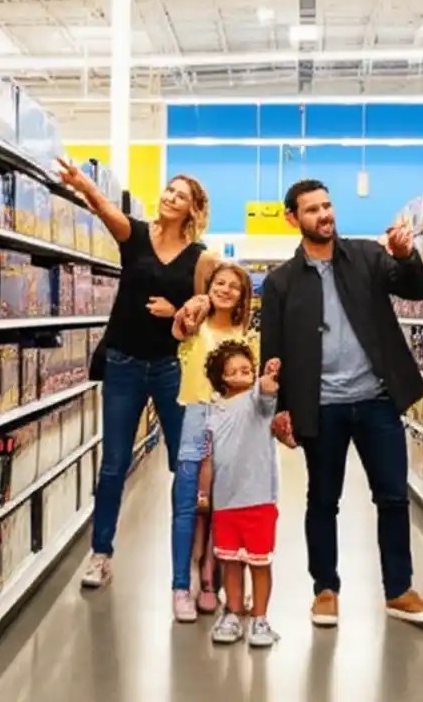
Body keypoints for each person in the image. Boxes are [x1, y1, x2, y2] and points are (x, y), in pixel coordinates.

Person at [260, 178, 423, 627]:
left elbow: (416, 289)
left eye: (327, 205)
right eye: (312, 210)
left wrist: (405, 256)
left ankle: (399, 590)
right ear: (292, 219)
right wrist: (278, 409)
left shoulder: (366, 255)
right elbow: (273, 352)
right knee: (322, 500)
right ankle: (325, 589)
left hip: (377, 399)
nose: (324, 215)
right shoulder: (281, 282)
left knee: (393, 497)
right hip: (320, 406)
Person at [57, 158, 219, 589]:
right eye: (168, 190)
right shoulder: (136, 236)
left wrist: (179, 312)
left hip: (171, 368)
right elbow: (104, 209)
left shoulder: (200, 259)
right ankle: (100, 554)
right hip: (124, 363)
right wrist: (82, 183)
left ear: (193, 209)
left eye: (180, 195)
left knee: (184, 465)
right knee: (113, 464)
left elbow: (209, 313)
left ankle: (188, 556)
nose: (170, 197)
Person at [168, 263, 256, 621]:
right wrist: (194, 301)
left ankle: (214, 583)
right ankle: (180, 586)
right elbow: (178, 326)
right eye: (219, 283)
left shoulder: (248, 335)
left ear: (243, 296)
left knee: (227, 509)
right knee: (188, 506)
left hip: (234, 426)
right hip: (195, 419)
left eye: (234, 286)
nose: (225, 289)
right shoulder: (193, 325)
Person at [197, 341, 282, 647]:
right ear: (221, 377)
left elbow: (266, 394)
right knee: (230, 562)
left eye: (246, 367)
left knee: (260, 563)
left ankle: (260, 619)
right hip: (225, 502)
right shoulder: (213, 412)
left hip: (259, 499)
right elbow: (206, 457)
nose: (242, 373)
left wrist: (268, 378)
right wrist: (203, 494)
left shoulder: (256, 402)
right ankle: (233, 613)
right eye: (233, 370)